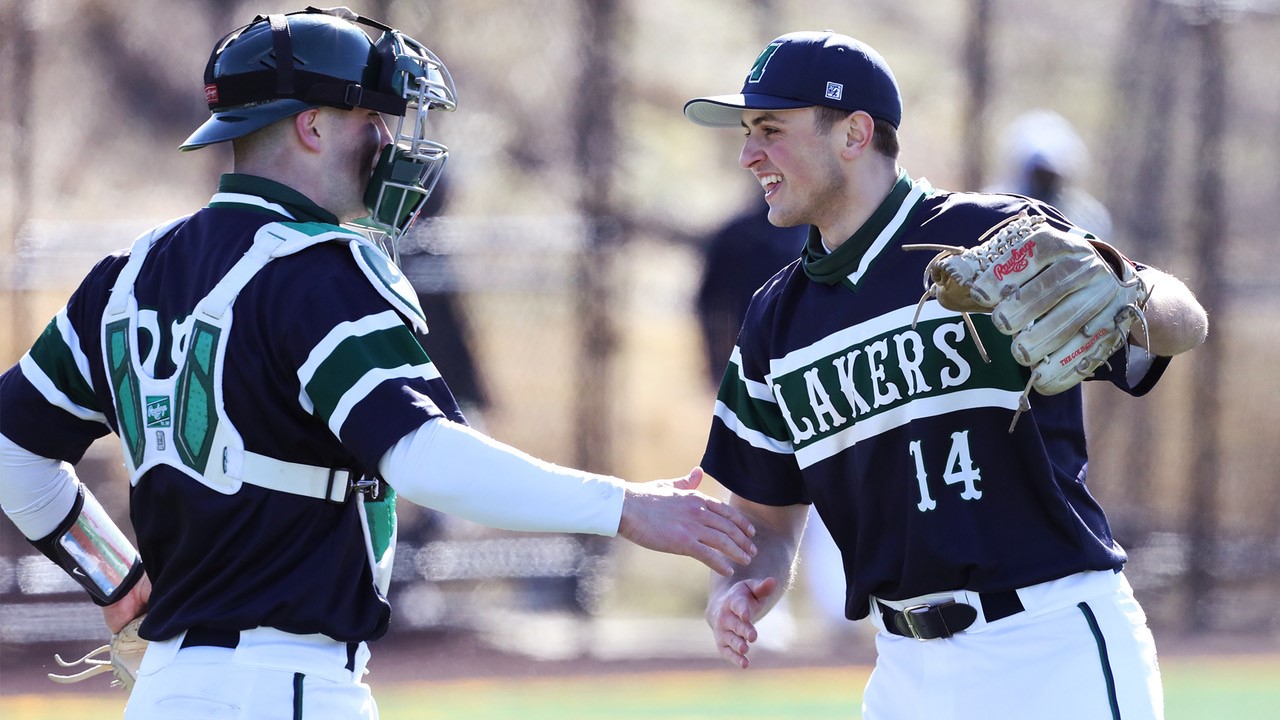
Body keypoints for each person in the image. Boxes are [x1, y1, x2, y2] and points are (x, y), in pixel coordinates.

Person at [0, 9, 756, 718]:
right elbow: (424, 457)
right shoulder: (317, 271)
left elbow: (12, 453)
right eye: (374, 118)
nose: (391, 143)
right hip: (286, 686)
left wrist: (115, 576)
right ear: (311, 126)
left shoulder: (127, 274)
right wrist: (625, 507)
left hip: (163, 691)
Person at [683, 30, 1208, 719]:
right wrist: (743, 583)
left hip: (1048, 648)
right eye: (749, 131)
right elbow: (766, 519)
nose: (750, 153)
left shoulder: (993, 238)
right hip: (903, 671)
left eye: (772, 129)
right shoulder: (774, 320)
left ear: (854, 133)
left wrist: (1130, 289)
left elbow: (1183, 321)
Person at [989, 108, 1113, 239]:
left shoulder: (1087, 219)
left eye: (1051, 176)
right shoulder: (995, 208)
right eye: (1040, 175)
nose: (1045, 183)